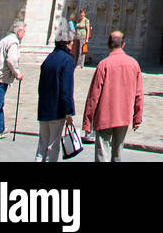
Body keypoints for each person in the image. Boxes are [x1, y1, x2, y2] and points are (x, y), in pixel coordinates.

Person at [82, 30, 143, 163]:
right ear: (124, 44)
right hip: (123, 115)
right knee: (118, 153)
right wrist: (137, 117)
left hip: (104, 115)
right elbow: (139, 94)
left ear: (109, 45)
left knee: (102, 152)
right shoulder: (134, 64)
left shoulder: (103, 65)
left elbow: (93, 95)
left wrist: (87, 120)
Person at [36, 29, 76, 162]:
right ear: (68, 43)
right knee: (53, 146)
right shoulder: (67, 60)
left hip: (44, 108)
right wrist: (68, 112)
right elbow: (66, 90)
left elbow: (41, 85)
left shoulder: (49, 58)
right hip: (57, 109)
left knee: (42, 144)